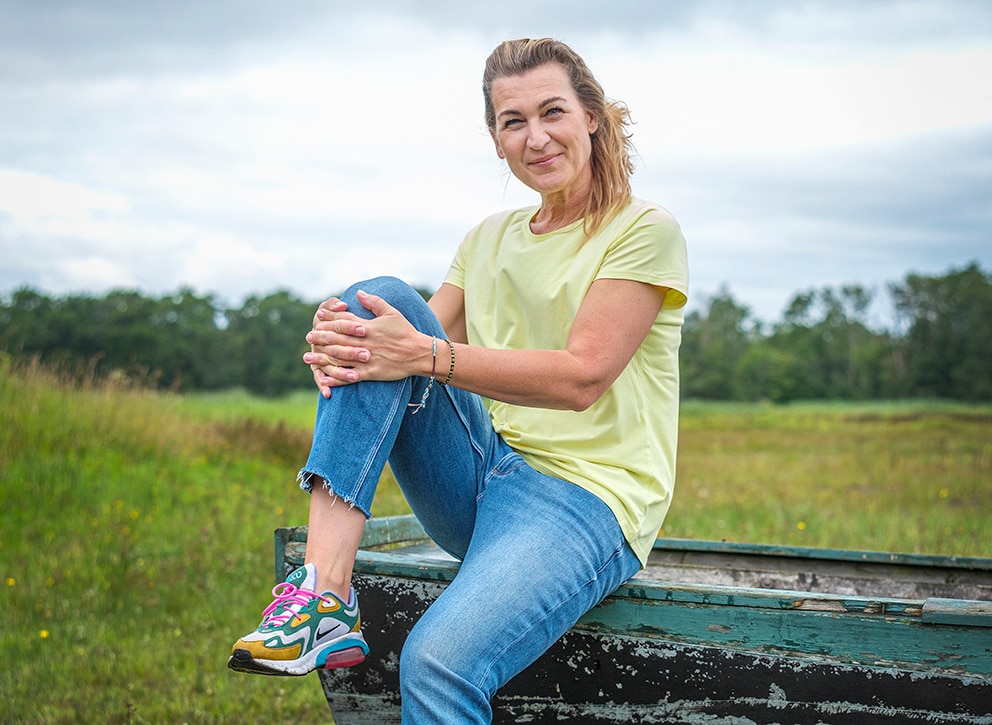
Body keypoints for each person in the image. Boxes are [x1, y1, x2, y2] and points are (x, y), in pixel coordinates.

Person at [229, 37, 688, 723]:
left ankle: (332, 601)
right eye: (513, 121)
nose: (536, 137)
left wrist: (416, 354)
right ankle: (325, 596)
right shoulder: (488, 237)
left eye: (552, 111)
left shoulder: (643, 229)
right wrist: (346, 341)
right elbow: (405, 349)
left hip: (588, 500)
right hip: (482, 475)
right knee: (373, 299)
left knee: (437, 662)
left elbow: (581, 378)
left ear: (590, 114)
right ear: (495, 138)